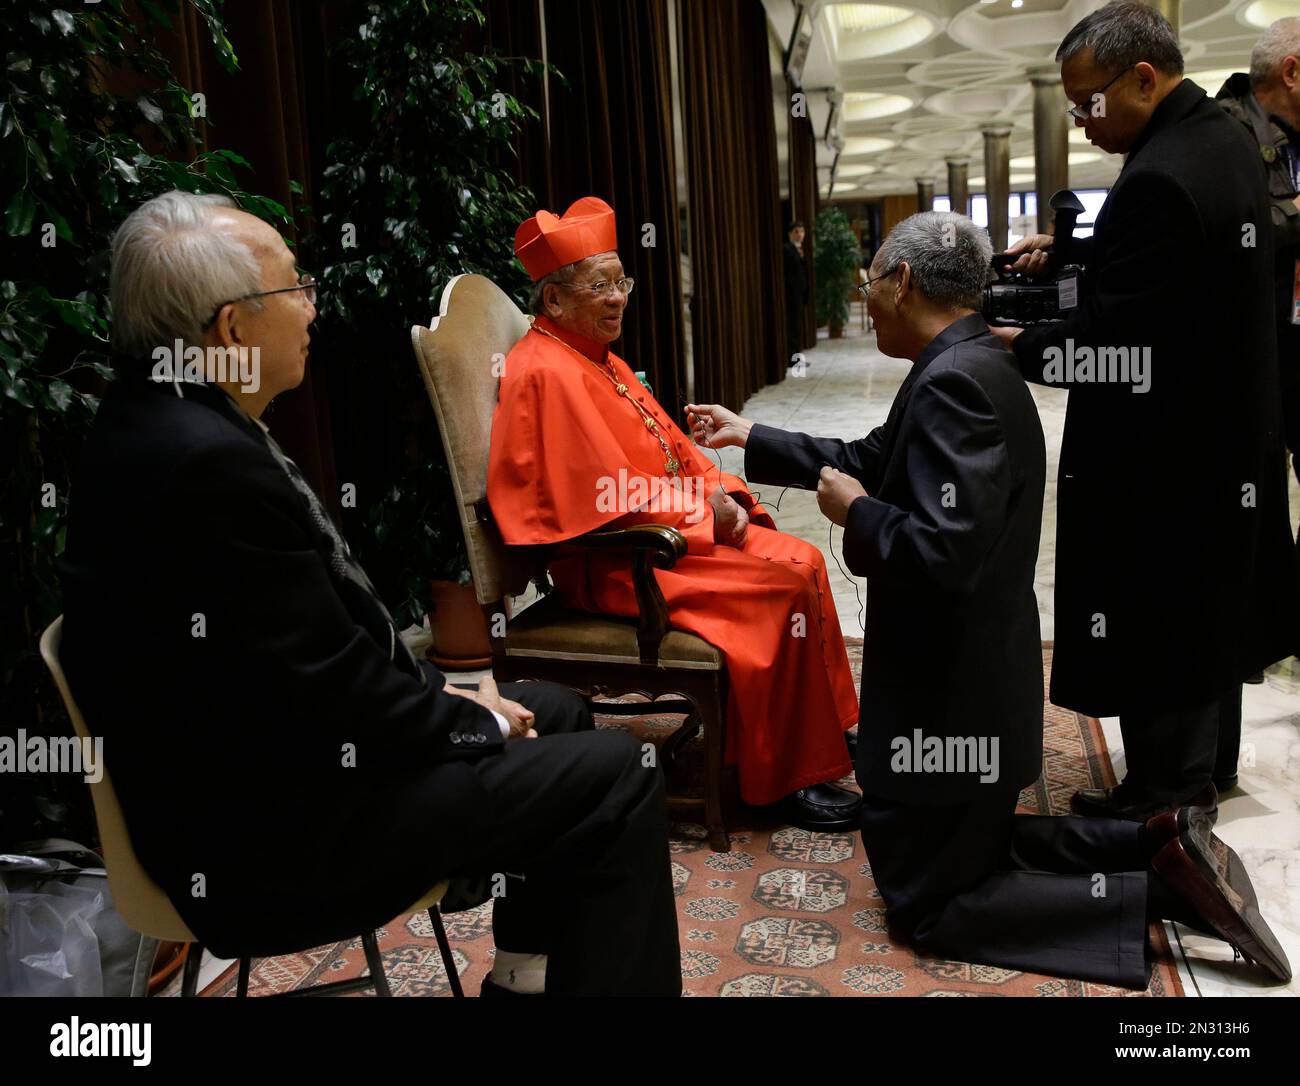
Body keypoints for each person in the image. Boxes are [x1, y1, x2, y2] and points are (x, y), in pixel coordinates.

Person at [58, 191, 681, 997]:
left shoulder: (158, 416)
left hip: (261, 766)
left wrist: (460, 707)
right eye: (296, 288)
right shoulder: (203, 465)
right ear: (233, 328)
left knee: (554, 712)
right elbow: (327, 689)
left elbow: (309, 662)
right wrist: (463, 719)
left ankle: (528, 978)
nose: (314, 307)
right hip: (275, 834)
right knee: (621, 770)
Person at [687, 211, 1291, 987]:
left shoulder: (954, 386)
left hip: (950, 704)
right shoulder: (965, 360)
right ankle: (1154, 842)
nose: (865, 297)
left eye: (870, 282)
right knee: (971, 851)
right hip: (976, 693)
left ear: (902, 282)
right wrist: (751, 435)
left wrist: (856, 515)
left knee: (928, 902)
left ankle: (1150, 889)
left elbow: (944, 553)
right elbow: (871, 457)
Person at [995, 1, 1300, 820]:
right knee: (1211, 619)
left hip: (1170, 454)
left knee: (1166, 624)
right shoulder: (1223, 138)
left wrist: (1012, 345)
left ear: (1142, 77)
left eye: (1088, 101)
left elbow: (1109, 346)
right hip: (1224, 436)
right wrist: (1081, 254)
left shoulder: (1163, 172)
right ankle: (1201, 772)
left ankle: (1161, 804)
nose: (1082, 120)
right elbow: (1178, 268)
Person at [488, 196, 861, 829]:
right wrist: (701, 517)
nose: (618, 299)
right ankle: (776, 781)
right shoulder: (543, 371)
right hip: (619, 561)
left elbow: (674, 448)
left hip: (667, 535)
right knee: (780, 592)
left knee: (804, 558)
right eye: (599, 286)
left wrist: (726, 496)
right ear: (553, 301)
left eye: (620, 282)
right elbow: (592, 500)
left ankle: (818, 738)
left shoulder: (595, 357)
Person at [784, 219, 810, 364]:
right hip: (792, 295)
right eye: (796, 232)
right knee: (792, 328)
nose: (800, 234)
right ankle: (793, 359)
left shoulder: (800, 249)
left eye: (802, 231)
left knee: (798, 328)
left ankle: (797, 357)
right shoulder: (787, 249)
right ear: (790, 234)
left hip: (800, 294)